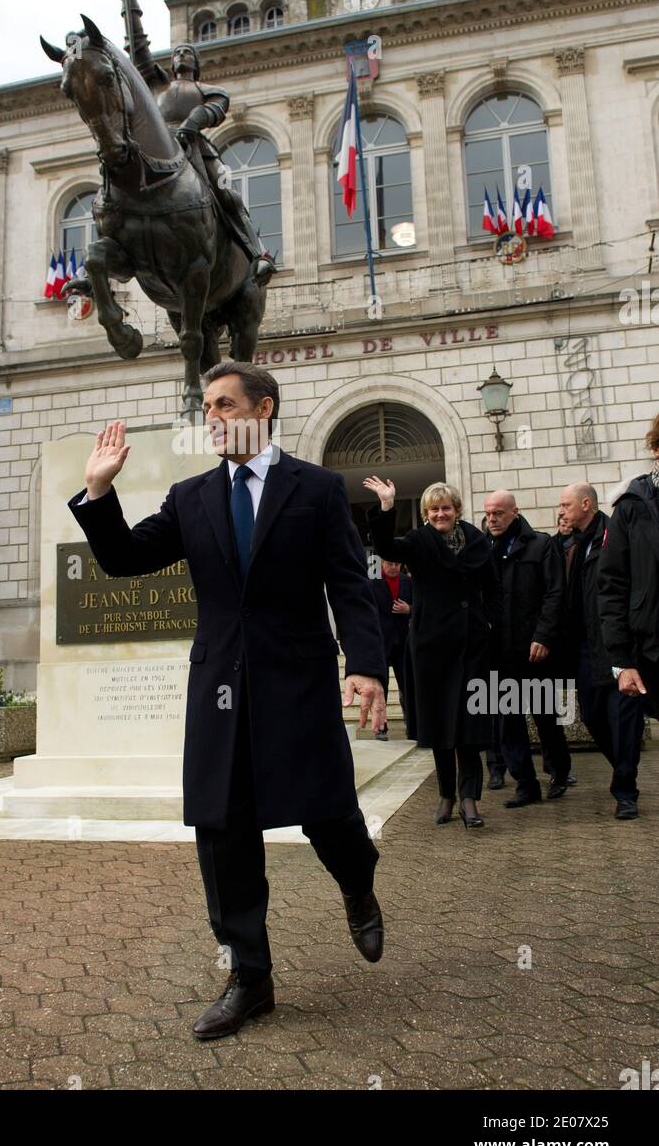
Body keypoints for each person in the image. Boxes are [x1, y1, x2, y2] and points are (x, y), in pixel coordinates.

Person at [68, 362, 388, 1040]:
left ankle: (357, 884)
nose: (211, 417)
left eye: (223, 404)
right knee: (222, 830)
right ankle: (250, 977)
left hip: (297, 683)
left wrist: (365, 666)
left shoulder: (318, 489)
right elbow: (125, 560)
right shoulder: (190, 497)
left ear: (261, 408)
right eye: (205, 407)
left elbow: (347, 585)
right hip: (219, 690)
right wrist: (98, 492)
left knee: (329, 814)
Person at [118, 0, 276, 286]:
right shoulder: (158, 84)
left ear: (196, 62)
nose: (181, 55)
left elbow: (215, 110)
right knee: (116, 188)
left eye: (187, 52)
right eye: (177, 52)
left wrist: (191, 125)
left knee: (228, 194)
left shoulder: (208, 89)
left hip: (195, 148)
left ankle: (257, 256)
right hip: (158, 149)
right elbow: (137, 47)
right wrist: (129, 0)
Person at [364, 477, 501, 829]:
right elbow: (384, 547)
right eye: (434, 509)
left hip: (471, 645)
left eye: (446, 508)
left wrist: (488, 622)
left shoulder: (477, 542)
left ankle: (470, 798)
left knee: (469, 725)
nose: (441, 513)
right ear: (426, 514)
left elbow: (494, 589)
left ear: (457, 511)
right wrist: (386, 506)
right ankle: (446, 795)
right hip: (431, 646)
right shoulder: (418, 541)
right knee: (441, 723)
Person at [483, 490, 570, 809]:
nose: (492, 519)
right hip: (499, 654)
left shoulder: (541, 545)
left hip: (535, 651)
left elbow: (554, 594)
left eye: (499, 513)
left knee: (545, 717)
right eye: (489, 513)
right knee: (508, 722)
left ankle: (559, 773)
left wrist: (544, 636)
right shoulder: (483, 550)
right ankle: (525, 784)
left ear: (515, 513)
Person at [596, 414, 659, 818]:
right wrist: (621, 659)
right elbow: (613, 584)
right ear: (656, 448)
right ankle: (625, 790)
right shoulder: (632, 506)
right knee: (628, 723)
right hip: (645, 643)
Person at [558, 482, 628, 816]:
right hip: (583, 649)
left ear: (587, 504)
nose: (561, 511)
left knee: (621, 718)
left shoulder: (614, 536)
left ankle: (625, 792)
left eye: (566, 505)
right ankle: (622, 766)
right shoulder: (572, 545)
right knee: (594, 717)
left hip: (614, 646)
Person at [369, 560, 414, 740]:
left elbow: (420, 604)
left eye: (397, 564)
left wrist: (408, 609)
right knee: (381, 687)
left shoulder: (408, 582)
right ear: (382, 564)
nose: (394, 567)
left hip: (403, 643)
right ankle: (380, 728)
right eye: (390, 564)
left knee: (408, 687)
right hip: (381, 642)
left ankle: (412, 727)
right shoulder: (372, 582)